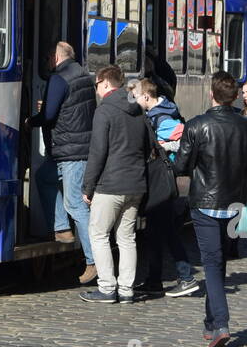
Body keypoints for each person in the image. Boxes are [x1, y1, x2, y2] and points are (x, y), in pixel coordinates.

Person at [176, 71, 247, 347]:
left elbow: (182, 166)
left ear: (211, 94)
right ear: (235, 96)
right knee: (219, 261)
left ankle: (222, 323)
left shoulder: (197, 125)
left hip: (205, 203)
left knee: (212, 263)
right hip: (234, 202)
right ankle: (211, 322)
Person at [79, 66, 153, 304]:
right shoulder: (138, 109)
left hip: (110, 185)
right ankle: (126, 289)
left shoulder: (105, 111)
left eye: (97, 85)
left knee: (99, 234)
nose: (96, 90)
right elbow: (149, 144)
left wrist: (88, 187)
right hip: (135, 184)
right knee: (127, 237)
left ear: (105, 83)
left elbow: (97, 152)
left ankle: (107, 287)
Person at [26, 42, 97, 284]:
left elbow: (48, 116)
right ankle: (62, 230)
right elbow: (72, 108)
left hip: (69, 151)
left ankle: (93, 261)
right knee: (44, 177)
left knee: (76, 205)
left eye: (48, 57)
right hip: (77, 147)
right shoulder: (84, 76)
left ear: (56, 57)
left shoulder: (59, 79)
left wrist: (29, 121)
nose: (47, 62)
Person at [131, 77, 196, 297]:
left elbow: (183, 137)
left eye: (136, 96)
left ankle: (186, 277)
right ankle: (154, 279)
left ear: (146, 97)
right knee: (155, 232)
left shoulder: (162, 117)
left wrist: (159, 146)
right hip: (160, 179)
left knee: (166, 231)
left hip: (162, 179)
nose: (134, 100)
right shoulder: (160, 112)